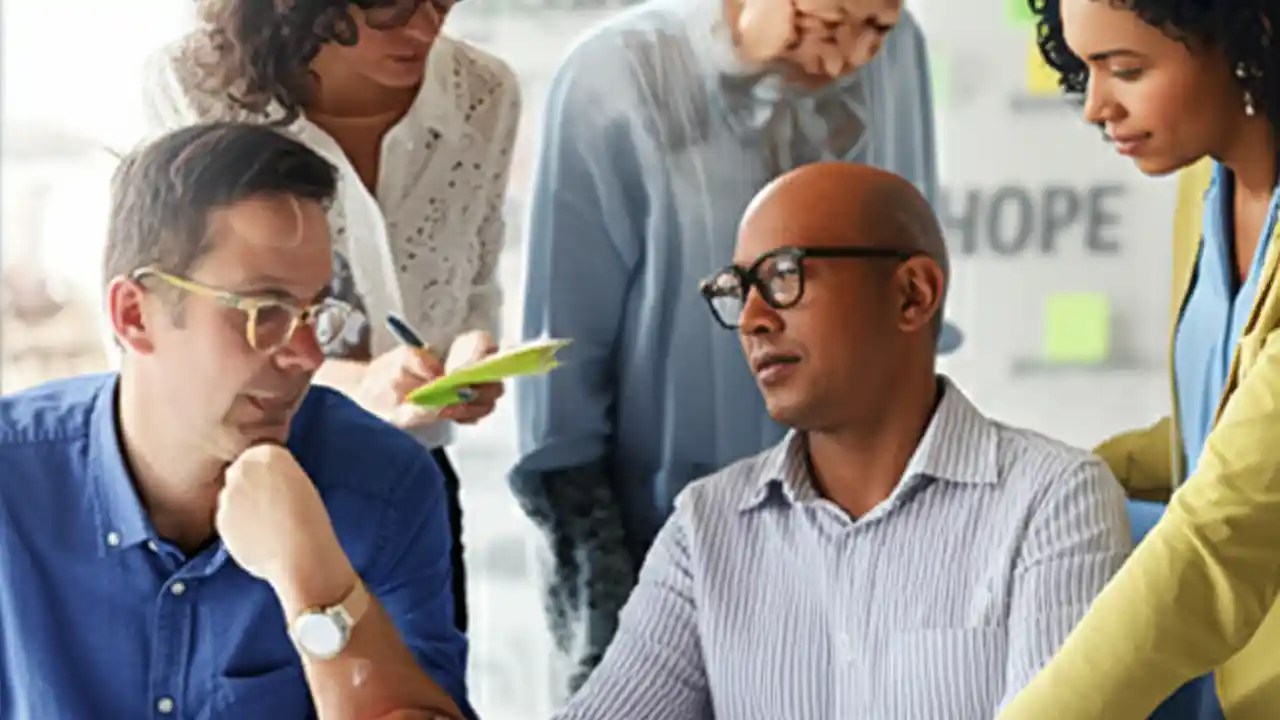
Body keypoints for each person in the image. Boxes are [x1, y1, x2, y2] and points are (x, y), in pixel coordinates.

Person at [553, 161, 1130, 718]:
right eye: (738, 288)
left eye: (782, 276)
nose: (753, 318)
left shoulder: (1053, 499)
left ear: (912, 294)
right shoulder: (707, 525)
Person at [510, 0, 956, 691]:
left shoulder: (897, 57)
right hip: (656, 540)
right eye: (826, 22)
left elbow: (911, 305)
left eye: (877, 27)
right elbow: (561, 376)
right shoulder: (614, 80)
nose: (846, 61)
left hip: (855, 537)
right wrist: (604, 616)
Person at [0, 122, 473, 720]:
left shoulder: (384, 487)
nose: (309, 355)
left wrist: (313, 578)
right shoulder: (13, 482)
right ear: (133, 315)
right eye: (264, 311)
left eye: (315, 313)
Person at [143, 0, 522, 633]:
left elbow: (476, 276)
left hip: (406, 478)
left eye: (445, 1)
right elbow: (169, 328)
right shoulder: (192, 88)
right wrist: (359, 385)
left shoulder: (485, 94)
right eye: (393, 9)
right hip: (228, 485)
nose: (428, 29)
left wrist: (468, 355)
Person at [999, 0, 1280, 718]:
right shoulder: (1207, 185)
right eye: (1085, 68)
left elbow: (1226, 529)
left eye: (1125, 70)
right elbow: (1227, 416)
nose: (1095, 107)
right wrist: (1066, 484)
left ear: (1251, 38)